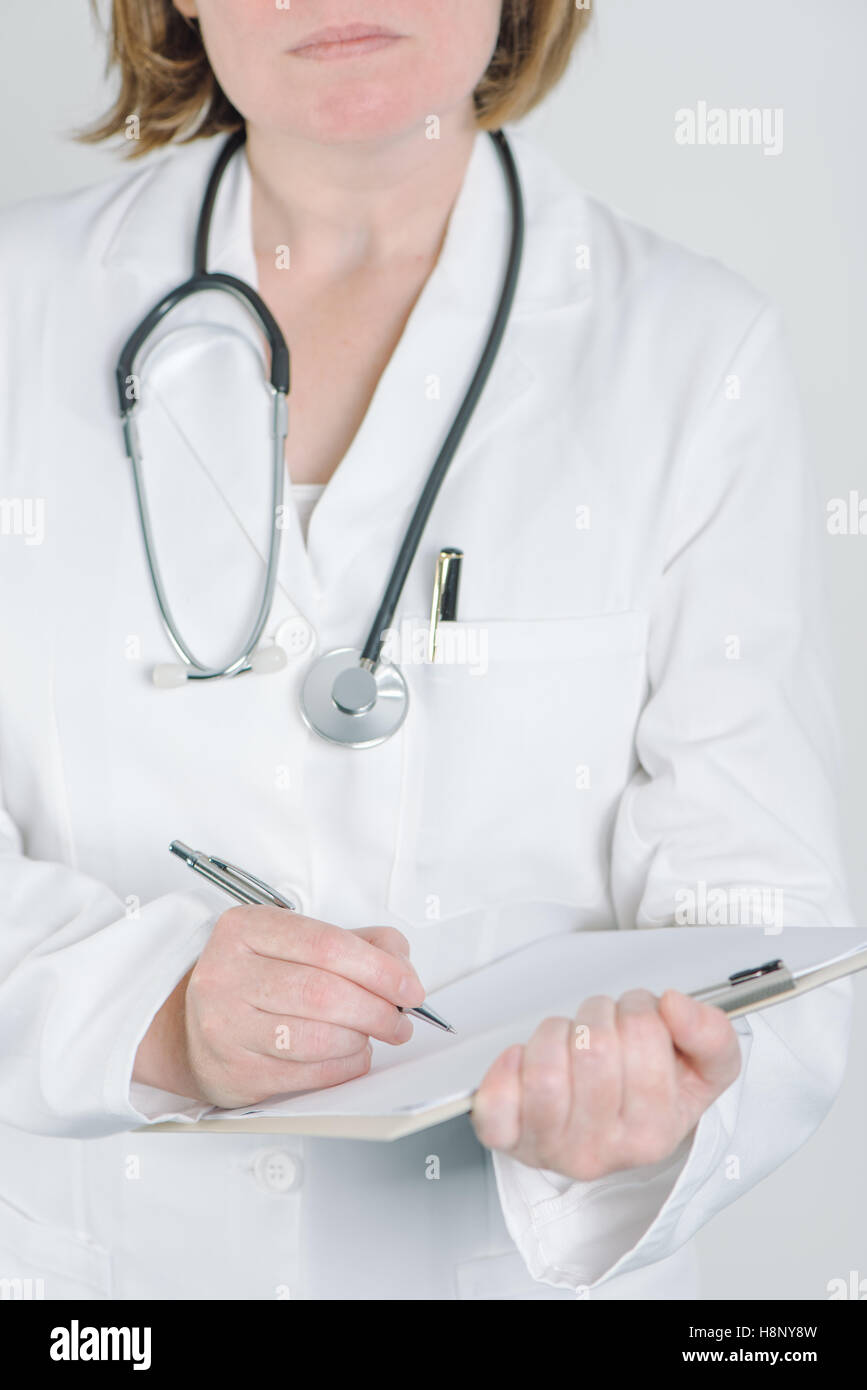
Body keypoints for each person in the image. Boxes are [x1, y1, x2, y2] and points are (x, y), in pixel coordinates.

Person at [0, 0, 853, 1301]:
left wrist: (646, 1116)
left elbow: (767, 934)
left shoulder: (693, 357)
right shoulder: (17, 309)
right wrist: (153, 1018)